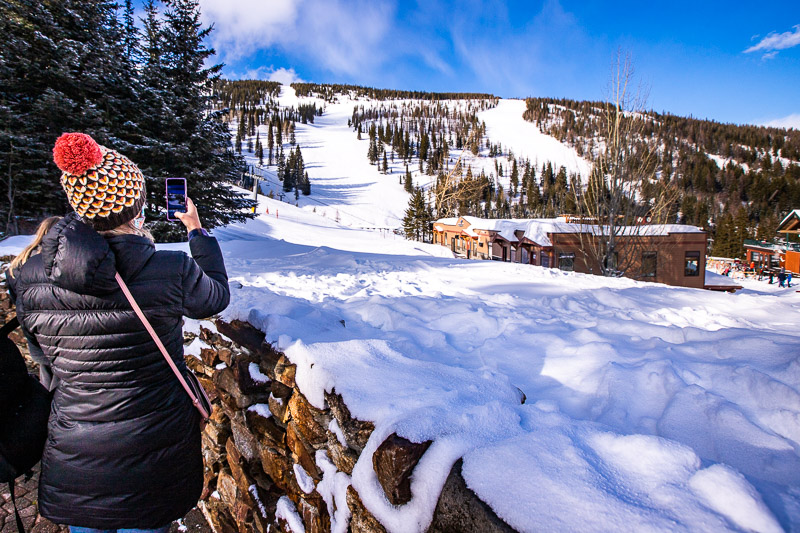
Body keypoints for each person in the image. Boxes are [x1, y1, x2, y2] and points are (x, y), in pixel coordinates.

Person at [5, 132, 229, 533]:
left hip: (77, 455)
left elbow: (40, 355)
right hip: (154, 455)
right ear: (136, 206)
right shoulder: (169, 269)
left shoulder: (29, 274)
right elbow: (214, 299)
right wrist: (196, 230)